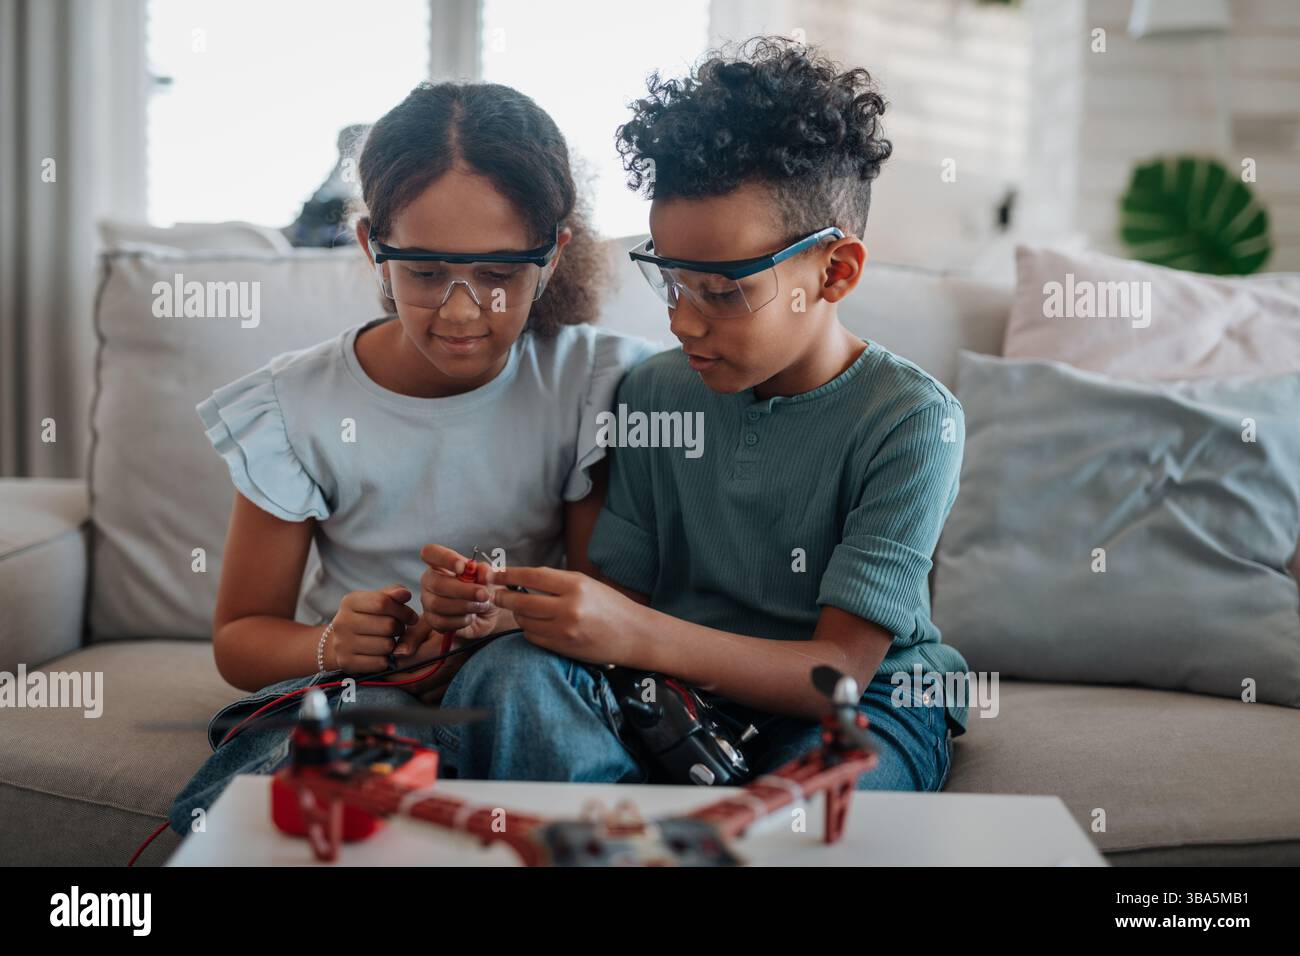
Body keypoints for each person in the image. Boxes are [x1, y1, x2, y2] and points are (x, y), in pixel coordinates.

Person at [424, 38, 969, 792]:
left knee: (816, 797)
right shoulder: (652, 393)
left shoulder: (910, 420)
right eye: (671, 283)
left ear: (834, 272)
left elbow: (837, 671)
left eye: (721, 292)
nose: (683, 323)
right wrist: (509, 606)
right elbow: (624, 605)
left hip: (856, 702)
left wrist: (637, 635)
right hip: (669, 687)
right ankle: (628, 827)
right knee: (510, 676)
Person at [166, 81, 659, 835]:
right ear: (373, 248)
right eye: (425, 274)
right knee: (336, 737)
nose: (462, 311)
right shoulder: (295, 405)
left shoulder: (587, 386)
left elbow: (601, 602)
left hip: (522, 682)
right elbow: (242, 637)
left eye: (498, 275)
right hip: (368, 694)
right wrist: (336, 644)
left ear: (552, 256)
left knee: (523, 674)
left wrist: (509, 611)